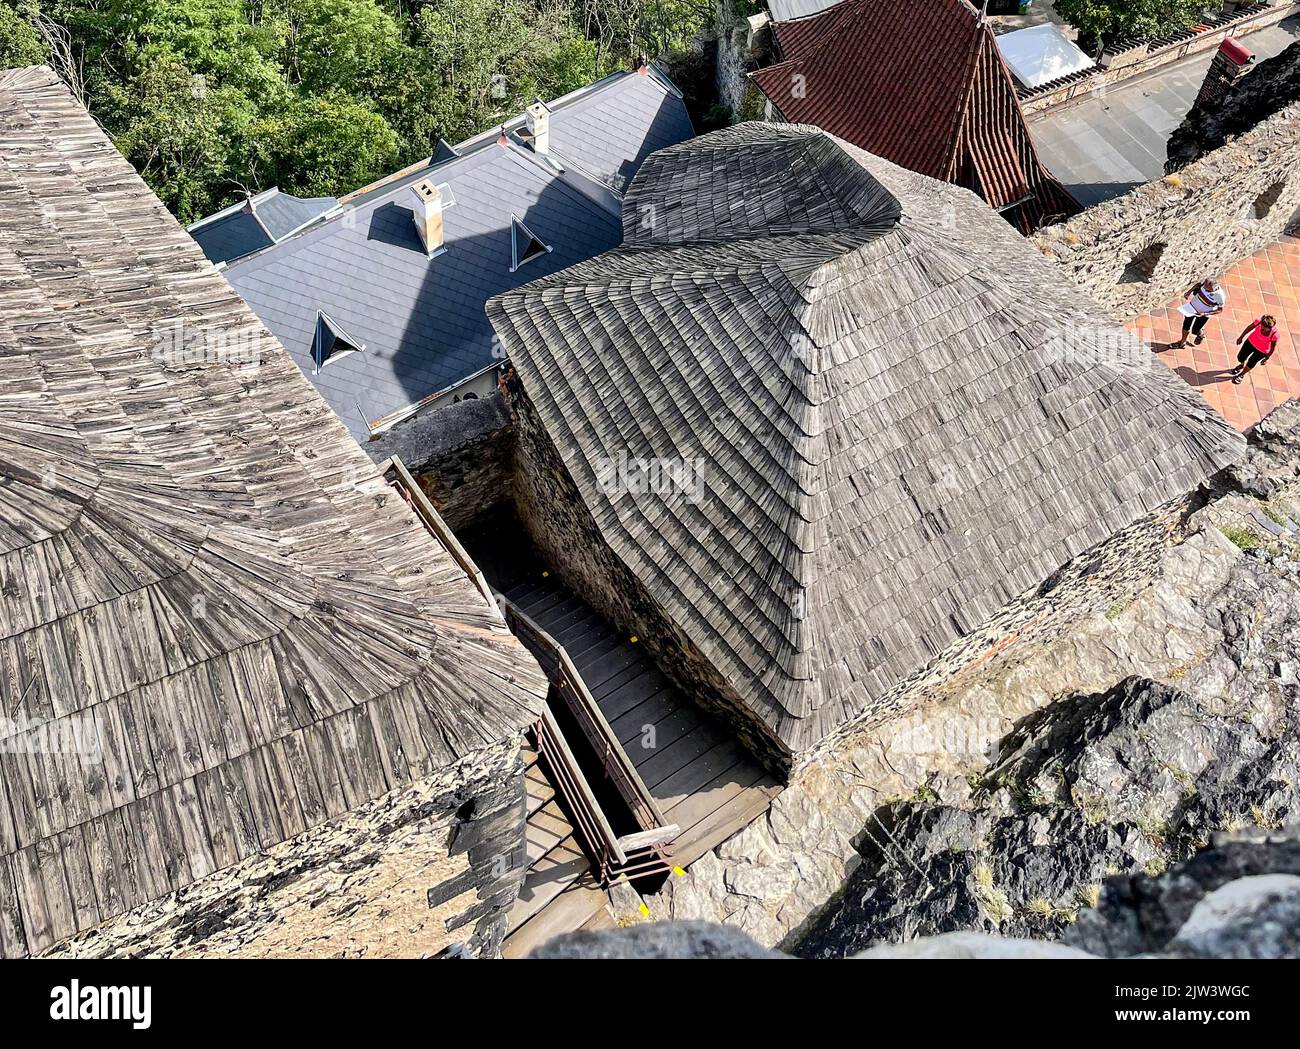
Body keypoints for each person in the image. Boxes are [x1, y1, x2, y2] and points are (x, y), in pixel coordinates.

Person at [1171, 277, 1226, 347]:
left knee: (1195, 331)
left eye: (1208, 289)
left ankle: (1200, 333)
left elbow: (1219, 310)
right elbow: (1197, 285)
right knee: (1186, 325)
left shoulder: (1220, 296)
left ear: (1214, 288)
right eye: (1204, 287)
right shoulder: (1205, 282)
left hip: (1203, 315)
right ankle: (1182, 342)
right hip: (1192, 308)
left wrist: (1205, 313)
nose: (1205, 289)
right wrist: (1189, 292)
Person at [1231, 314, 1280, 384]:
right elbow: (1249, 328)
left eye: (1265, 328)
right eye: (1262, 325)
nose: (1262, 328)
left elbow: (1272, 348)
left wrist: (1267, 358)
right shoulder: (1258, 322)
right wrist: (1241, 337)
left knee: (1251, 363)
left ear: (1270, 328)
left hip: (1262, 351)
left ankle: (1242, 374)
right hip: (1250, 342)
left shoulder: (1274, 334)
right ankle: (1241, 365)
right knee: (1240, 357)